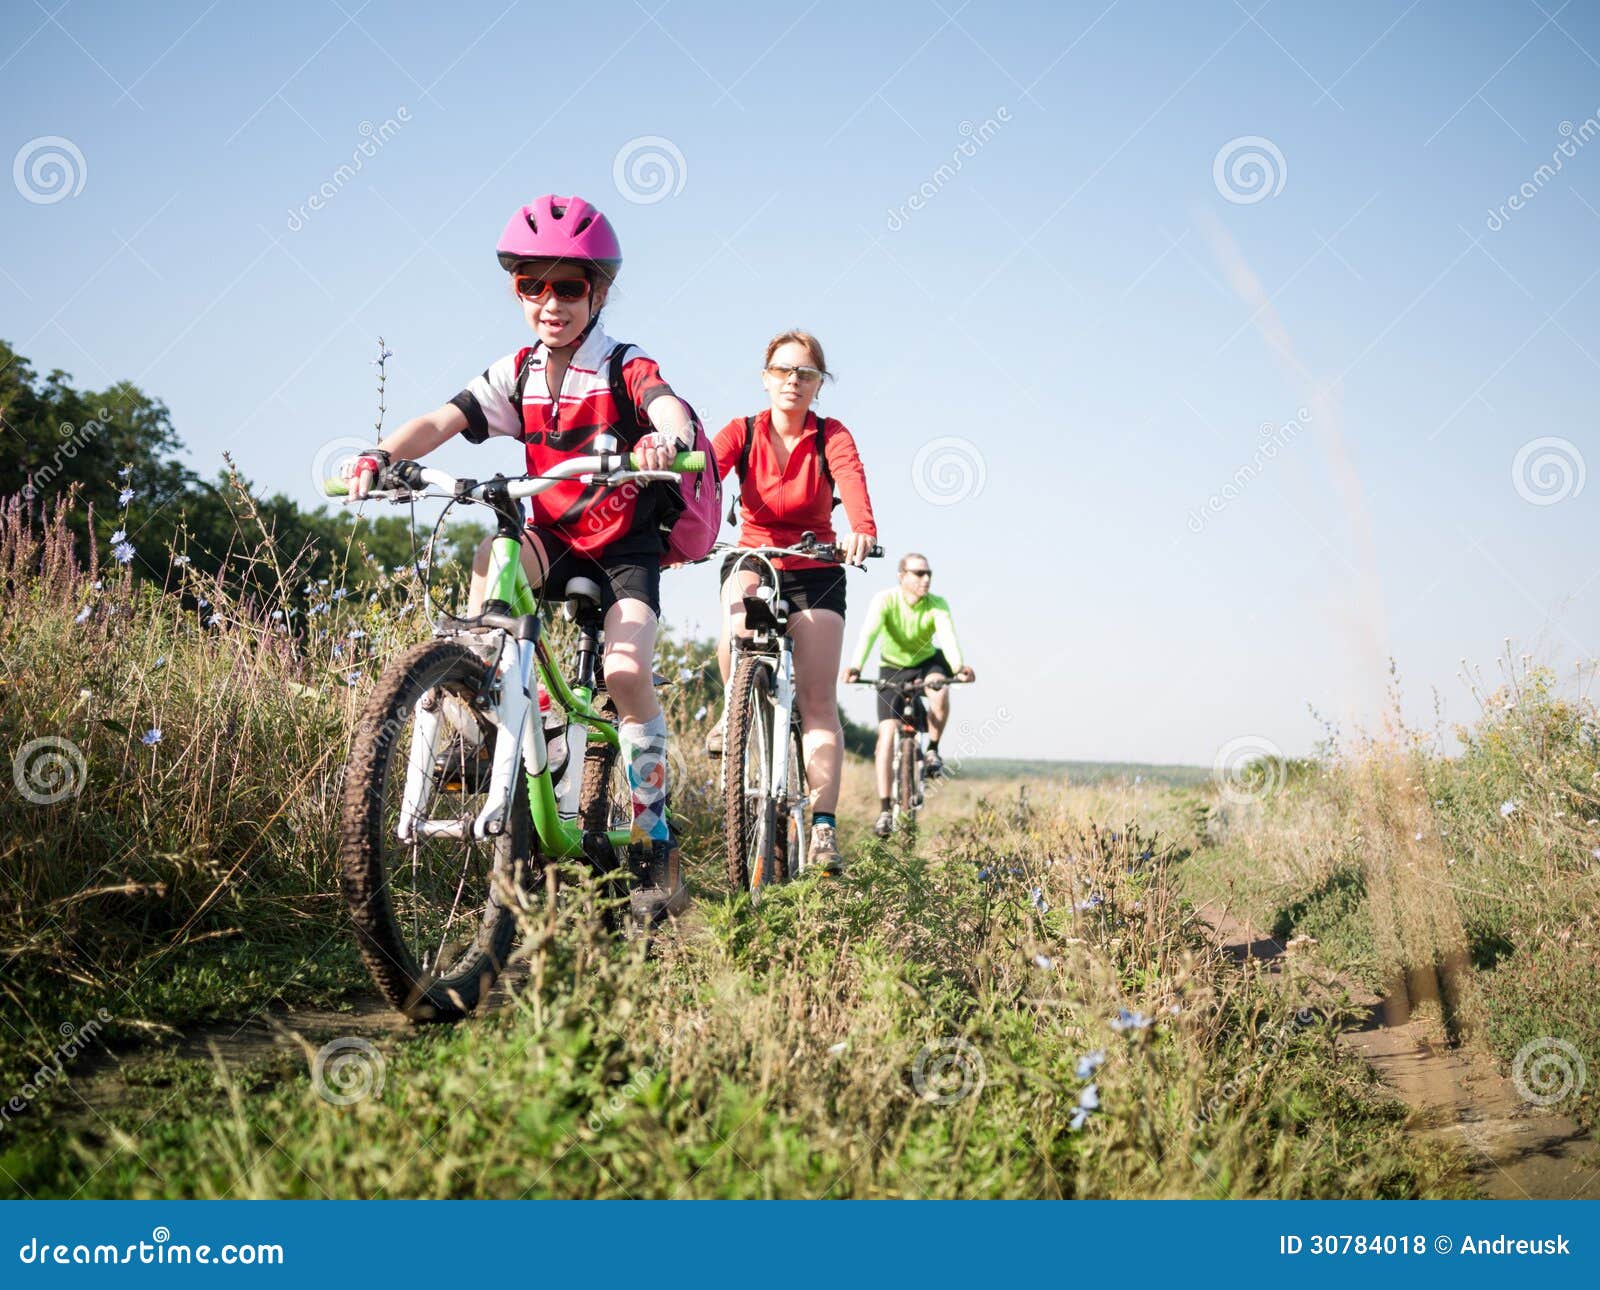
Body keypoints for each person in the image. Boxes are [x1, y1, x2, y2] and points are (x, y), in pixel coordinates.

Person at [341, 194, 697, 927]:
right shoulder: (519, 372)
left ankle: (654, 832)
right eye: (532, 284)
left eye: (568, 286)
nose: (549, 302)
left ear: (597, 293)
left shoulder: (623, 366)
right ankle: (487, 717)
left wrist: (665, 437)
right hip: (555, 535)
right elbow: (444, 419)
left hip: (623, 548)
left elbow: (668, 406)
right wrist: (382, 454)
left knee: (626, 673)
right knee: (492, 555)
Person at [709, 330, 878, 874]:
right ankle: (733, 706)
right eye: (783, 371)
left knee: (818, 700)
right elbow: (706, 473)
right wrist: (673, 521)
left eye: (806, 374)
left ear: (818, 385)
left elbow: (851, 480)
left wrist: (861, 529)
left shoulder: (832, 435)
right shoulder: (743, 430)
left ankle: (824, 831)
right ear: (765, 377)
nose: (793, 381)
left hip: (817, 563)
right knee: (739, 599)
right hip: (756, 554)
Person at [844, 553, 975, 837]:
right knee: (886, 736)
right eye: (918, 573)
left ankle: (932, 751)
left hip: (927, 663)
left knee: (939, 689)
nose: (925, 579)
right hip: (891, 667)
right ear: (902, 576)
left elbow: (948, 638)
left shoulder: (937, 604)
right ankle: (884, 810)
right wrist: (855, 665)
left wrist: (959, 667)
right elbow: (868, 634)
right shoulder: (885, 600)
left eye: (928, 573)